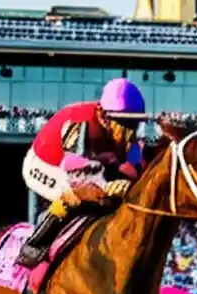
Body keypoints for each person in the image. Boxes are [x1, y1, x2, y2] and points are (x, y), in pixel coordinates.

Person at [17, 77, 147, 268]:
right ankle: (34, 245)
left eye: (134, 124)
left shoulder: (121, 131)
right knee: (77, 195)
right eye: (125, 124)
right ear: (105, 117)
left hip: (91, 162)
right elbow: (78, 177)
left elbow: (135, 171)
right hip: (46, 166)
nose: (131, 132)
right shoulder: (80, 125)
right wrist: (107, 188)